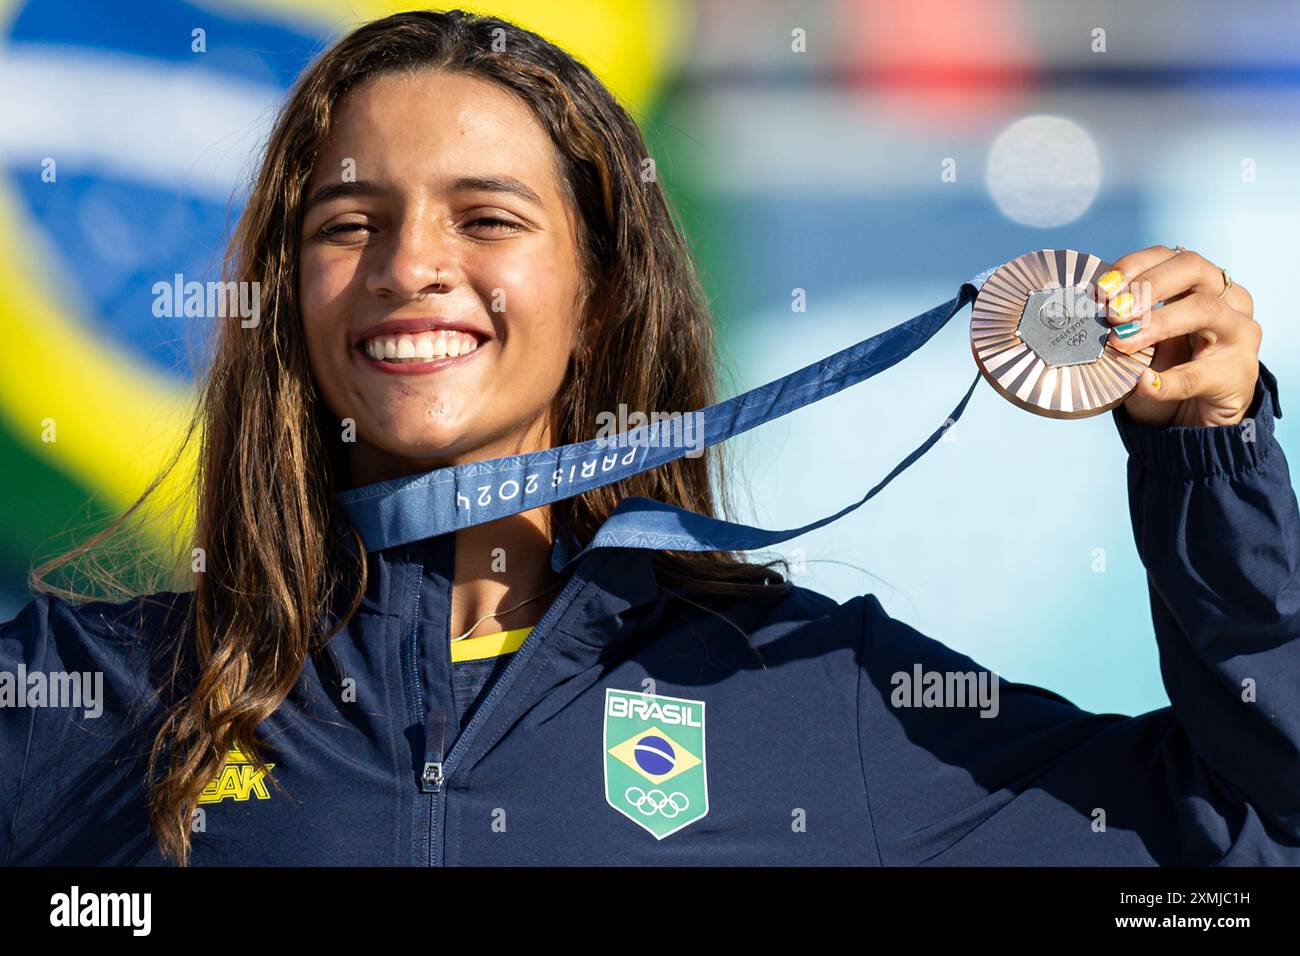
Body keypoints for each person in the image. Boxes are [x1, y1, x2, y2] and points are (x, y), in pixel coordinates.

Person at [1, 9, 1295, 866]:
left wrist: (1209, 467)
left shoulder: (802, 702)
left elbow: (1240, 840)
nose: (411, 265)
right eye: (350, 224)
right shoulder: (99, 696)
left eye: (487, 218)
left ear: (601, 292)